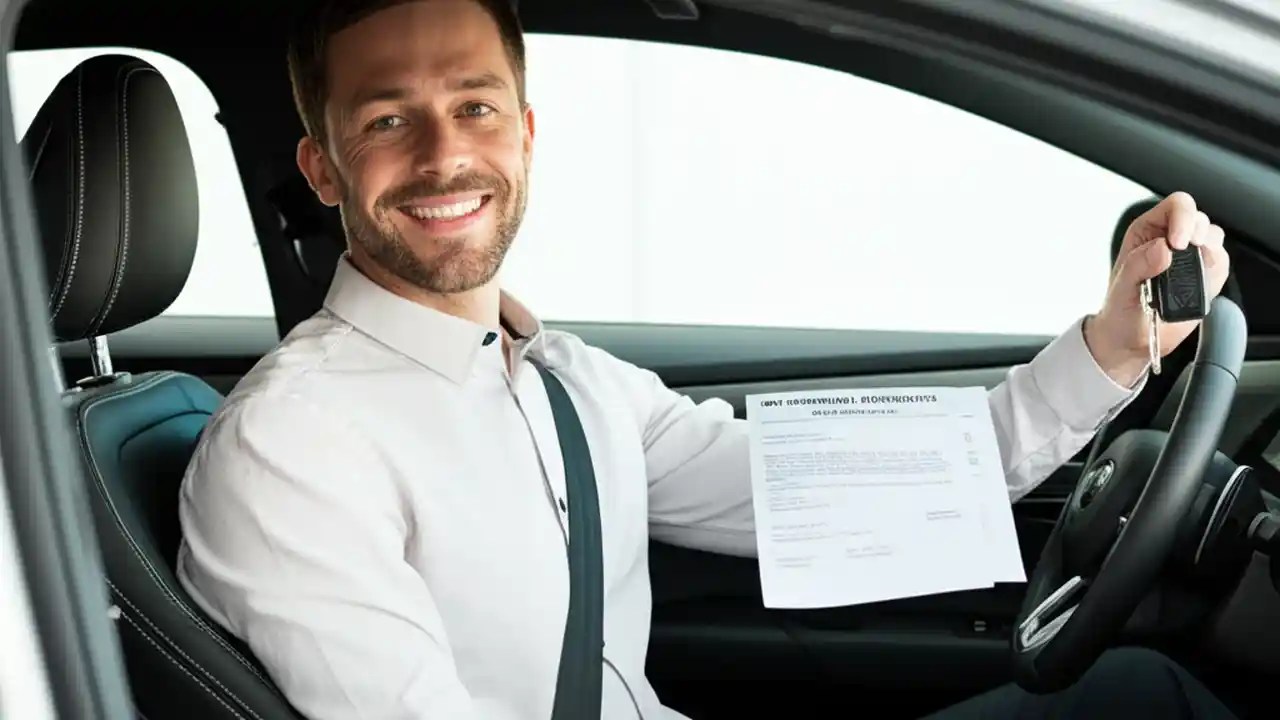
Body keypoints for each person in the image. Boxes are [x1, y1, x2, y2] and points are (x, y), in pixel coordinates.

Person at [174, 1, 1239, 718]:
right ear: (322, 168)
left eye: (474, 107)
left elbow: (883, 491)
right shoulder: (292, 446)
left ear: (526, 133)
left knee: (1141, 688)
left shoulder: (567, 381)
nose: (444, 153)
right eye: (386, 120)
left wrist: (1113, 344)